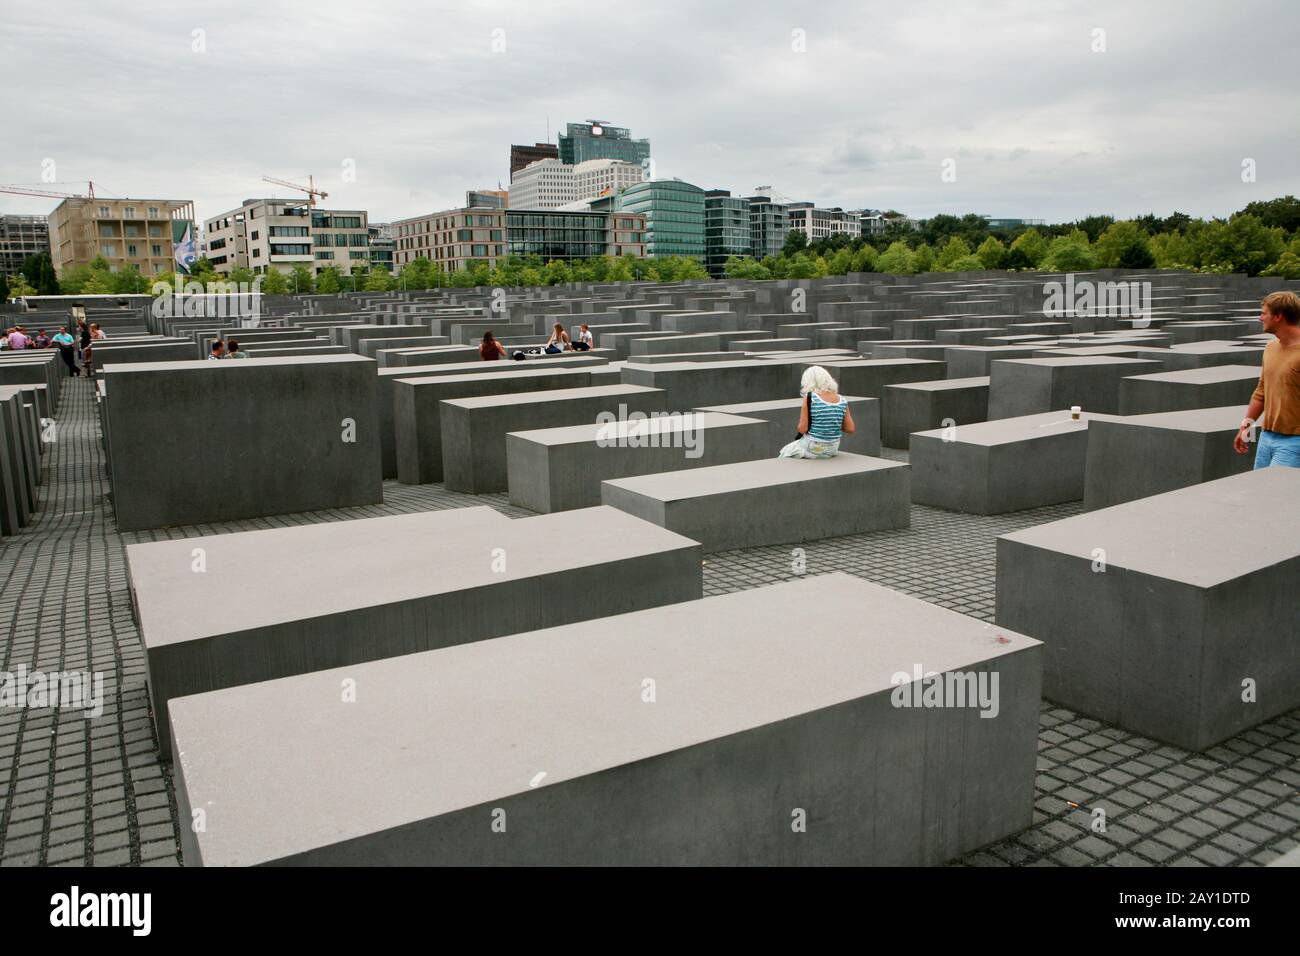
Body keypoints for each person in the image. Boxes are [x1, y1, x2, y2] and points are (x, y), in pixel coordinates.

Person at [1235, 290, 1300, 468]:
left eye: (1264, 313)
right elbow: (1261, 392)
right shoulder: (1270, 348)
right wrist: (1245, 428)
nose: (1260, 318)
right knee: (1259, 485)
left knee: (1278, 486)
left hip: (1294, 442)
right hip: (1266, 437)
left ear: (1279, 316)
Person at [778, 365, 856, 459]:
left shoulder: (810, 397)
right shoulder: (842, 400)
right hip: (833, 448)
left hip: (814, 447)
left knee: (785, 451)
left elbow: (802, 429)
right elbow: (850, 428)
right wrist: (832, 423)